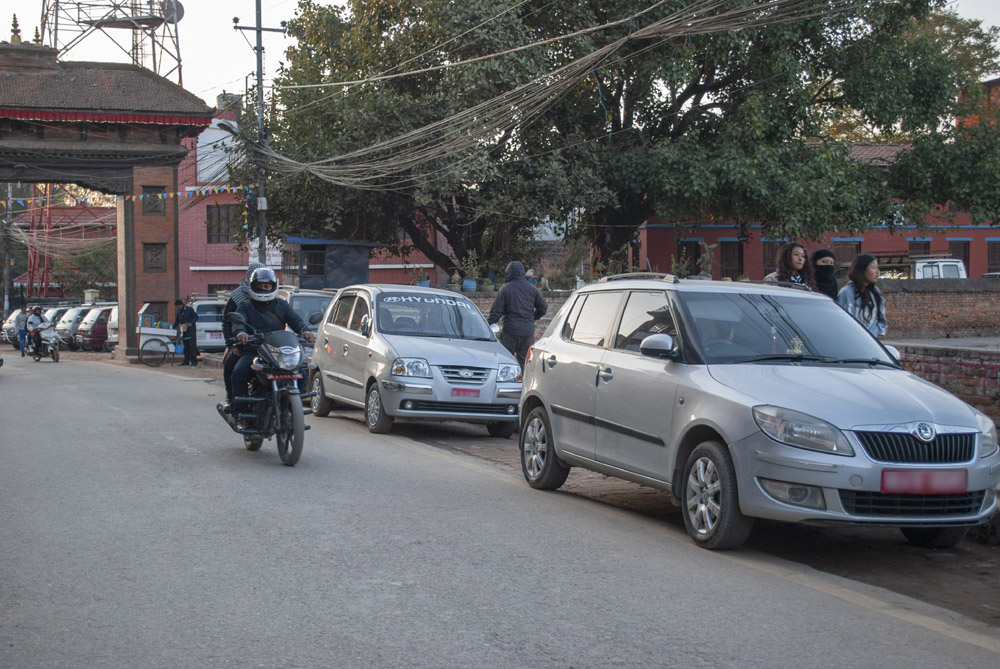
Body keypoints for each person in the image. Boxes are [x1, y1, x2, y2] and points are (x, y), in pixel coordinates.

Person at [231, 267, 315, 419]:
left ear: (273, 286)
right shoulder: (245, 306)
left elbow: (295, 320)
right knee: (239, 372)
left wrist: (305, 330)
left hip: (278, 352)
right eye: (259, 286)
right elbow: (239, 322)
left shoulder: (281, 305)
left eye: (266, 286)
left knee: (301, 373)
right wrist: (240, 332)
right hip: (254, 351)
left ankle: (292, 407)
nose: (263, 289)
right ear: (252, 286)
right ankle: (241, 413)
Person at [221, 262, 266, 411]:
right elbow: (228, 322)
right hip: (245, 344)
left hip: (269, 346)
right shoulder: (238, 297)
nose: (262, 286)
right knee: (231, 366)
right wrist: (232, 345)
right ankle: (232, 399)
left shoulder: (274, 299)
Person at [488, 260, 547, 369]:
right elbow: (543, 308)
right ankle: (522, 383)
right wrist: (532, 317)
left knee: (505, 362)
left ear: (508, 273)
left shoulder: (505, 289)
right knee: (525, 363)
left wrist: (489, 325)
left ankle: (508, 384)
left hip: (510, 331)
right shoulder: (532, 289)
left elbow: (496, 312)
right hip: (527, 332)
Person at [838, 253, 887, 337]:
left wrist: (877, 333)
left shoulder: (876, 292)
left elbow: (881, 320)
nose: (877, 272)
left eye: (877, 268)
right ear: (862, 269)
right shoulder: (847, 292)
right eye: (873, 268)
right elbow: (845, 322)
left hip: (872, 340)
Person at [172, 299, 200, 366]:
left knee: (192, 346)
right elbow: (177, 321)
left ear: (181, 305)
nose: (177, 308)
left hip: (191, 330)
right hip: (184, 330)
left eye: (178, 306)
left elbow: (196, 317)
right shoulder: (179, 312)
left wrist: (190, 323)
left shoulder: (189, 309)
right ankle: (186, 361)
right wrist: (171, 327)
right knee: (186, 346)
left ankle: (194, 361)